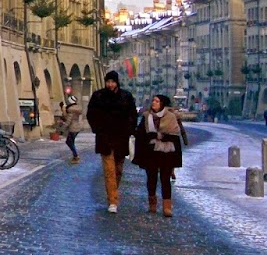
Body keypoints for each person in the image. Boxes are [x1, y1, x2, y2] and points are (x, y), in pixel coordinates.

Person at [86, 70, 137, 213]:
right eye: (108, 82)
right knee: (109, 170)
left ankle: (113, 192)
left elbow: (133, 114)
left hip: (121, 137)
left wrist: (130, 130)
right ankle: (113, 201)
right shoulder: (98, 96)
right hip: (105, 137)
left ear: (117, 82)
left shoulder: (126, 96)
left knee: (118, 169)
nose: (110, 84)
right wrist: (97, 129)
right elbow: (91, 114)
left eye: (112, 82)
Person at [134, 94, 188, 218]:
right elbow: (141, 134)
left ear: (162, 103)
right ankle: (152, 203)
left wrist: (160, 136)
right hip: (151, 151)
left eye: (157, 101)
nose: (154, 103)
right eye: (153, 101)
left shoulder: (171, 117)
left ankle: (167, 206)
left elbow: (174, 135)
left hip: (167, 152)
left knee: (165, 179)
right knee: (151, 178)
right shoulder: (147, 116)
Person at [63, 87, 85, 165]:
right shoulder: (78, 109)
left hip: (73, 128)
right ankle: (75, 155)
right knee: (71, 141)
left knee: (69, 142)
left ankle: (76, 156)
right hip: (77, 127)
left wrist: (63, 127)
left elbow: (69, 120)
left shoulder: (71, 110)